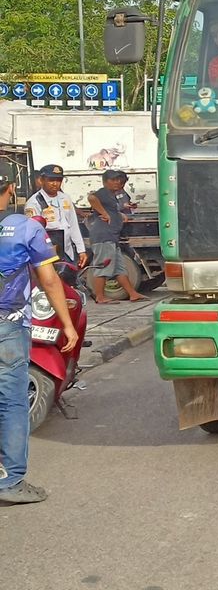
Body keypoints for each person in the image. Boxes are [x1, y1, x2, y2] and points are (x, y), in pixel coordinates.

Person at [0, 179, 77, 505]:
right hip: (8, 326)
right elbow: (48, 279)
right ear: (7, 191)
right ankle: (10, 481)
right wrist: (68, 325)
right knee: (12, 402)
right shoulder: (23, 227)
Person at [86, 170, 149, 304]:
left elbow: (112, 210)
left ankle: (133, 294)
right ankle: (100, 297)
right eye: (113, 180)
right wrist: (104, 213)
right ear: (105, 181)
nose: (117, 182)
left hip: (112, 237)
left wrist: (119, 215)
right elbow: (91, 198)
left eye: (118, 180)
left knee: (120, 268)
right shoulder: (103, 192)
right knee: (103, 266)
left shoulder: (111, 196)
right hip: (103, 236)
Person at [24, 165, 87, 269]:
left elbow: (73, 225)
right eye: (51, 180)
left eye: (58, 180)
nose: (55, 184)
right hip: (48, 252)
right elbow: (33, 232)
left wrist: (81, 250)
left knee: (70, 280)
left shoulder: (65, 198)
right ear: (41, 180)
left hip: (67, 251)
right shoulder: (34, 202)